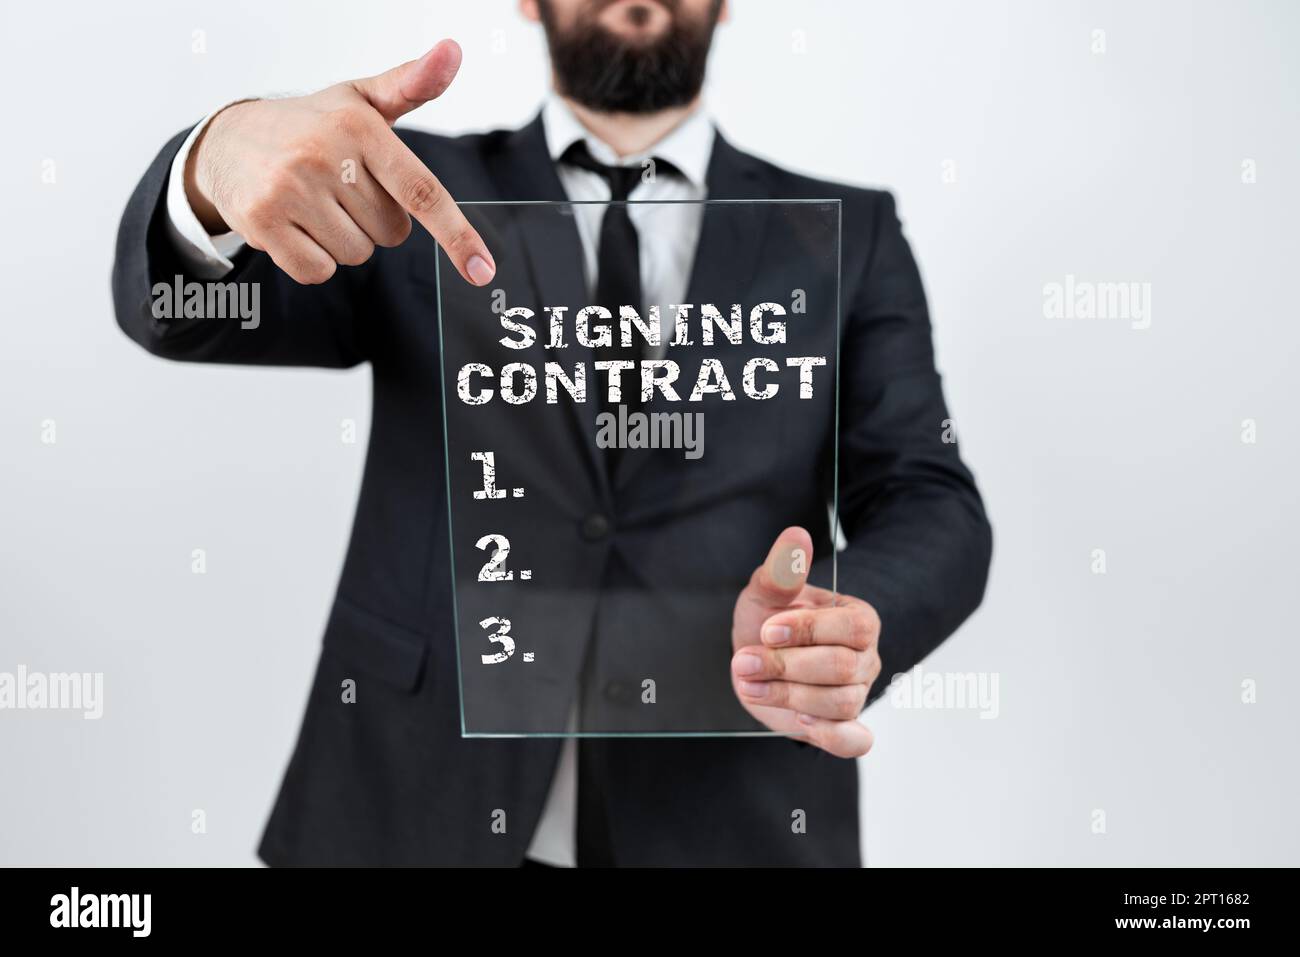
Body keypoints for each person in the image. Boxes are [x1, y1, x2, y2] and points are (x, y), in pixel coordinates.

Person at [112, 0, 992, 866]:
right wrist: (212, 167)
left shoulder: (848, 231)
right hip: (414, 801)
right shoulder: (400, 188)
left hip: (730, 807)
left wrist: (847, 613)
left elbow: (930, 500)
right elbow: (177, 313)